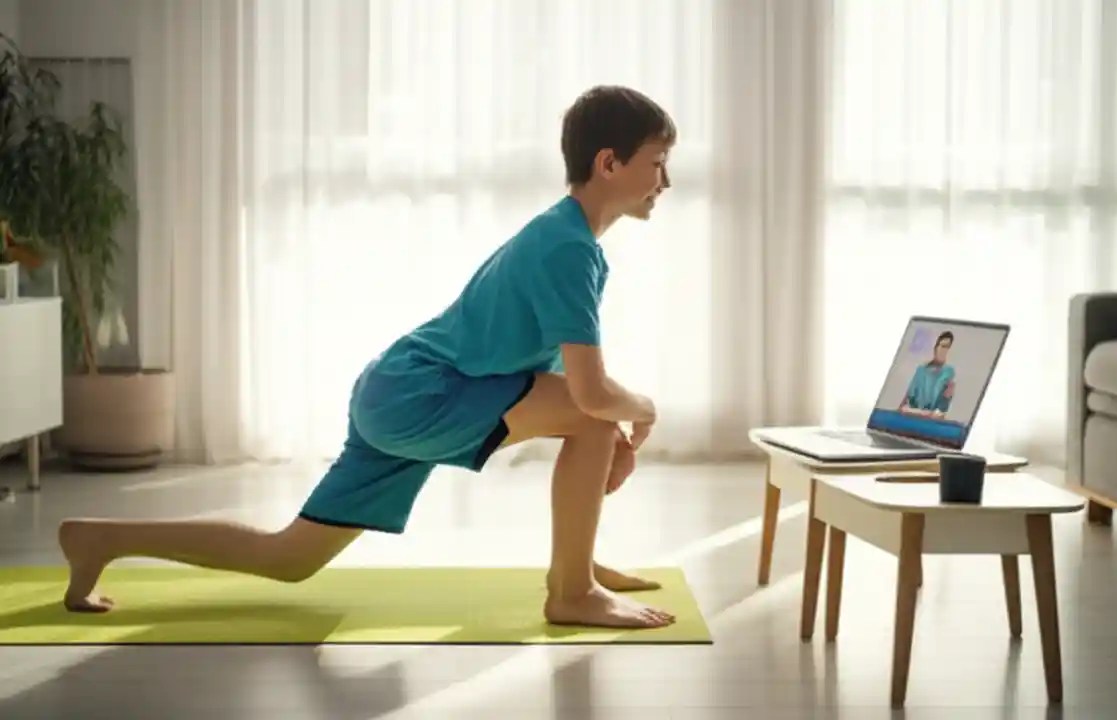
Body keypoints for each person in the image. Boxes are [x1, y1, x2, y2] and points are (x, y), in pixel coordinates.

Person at [58, 85, 679, 630]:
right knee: (596, 416)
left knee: (289, 558)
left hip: (397, 388)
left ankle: (102, 540)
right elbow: (591, 395)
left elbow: (541, 371)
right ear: (608, 162)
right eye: (658, 163)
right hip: (422, 393)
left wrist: (604, 436)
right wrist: (639, 412)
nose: (665, 181)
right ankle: (573, 589)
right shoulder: (568, 248)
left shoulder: (560, 235)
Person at [899, 331, 956, 418]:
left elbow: (941, 411)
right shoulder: (921, 370)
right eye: (943, 346)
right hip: (911, 416)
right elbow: (905, 403)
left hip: (930, 421)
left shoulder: (948, 373)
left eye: (948, 347)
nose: (944, 351)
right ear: (936, 347)